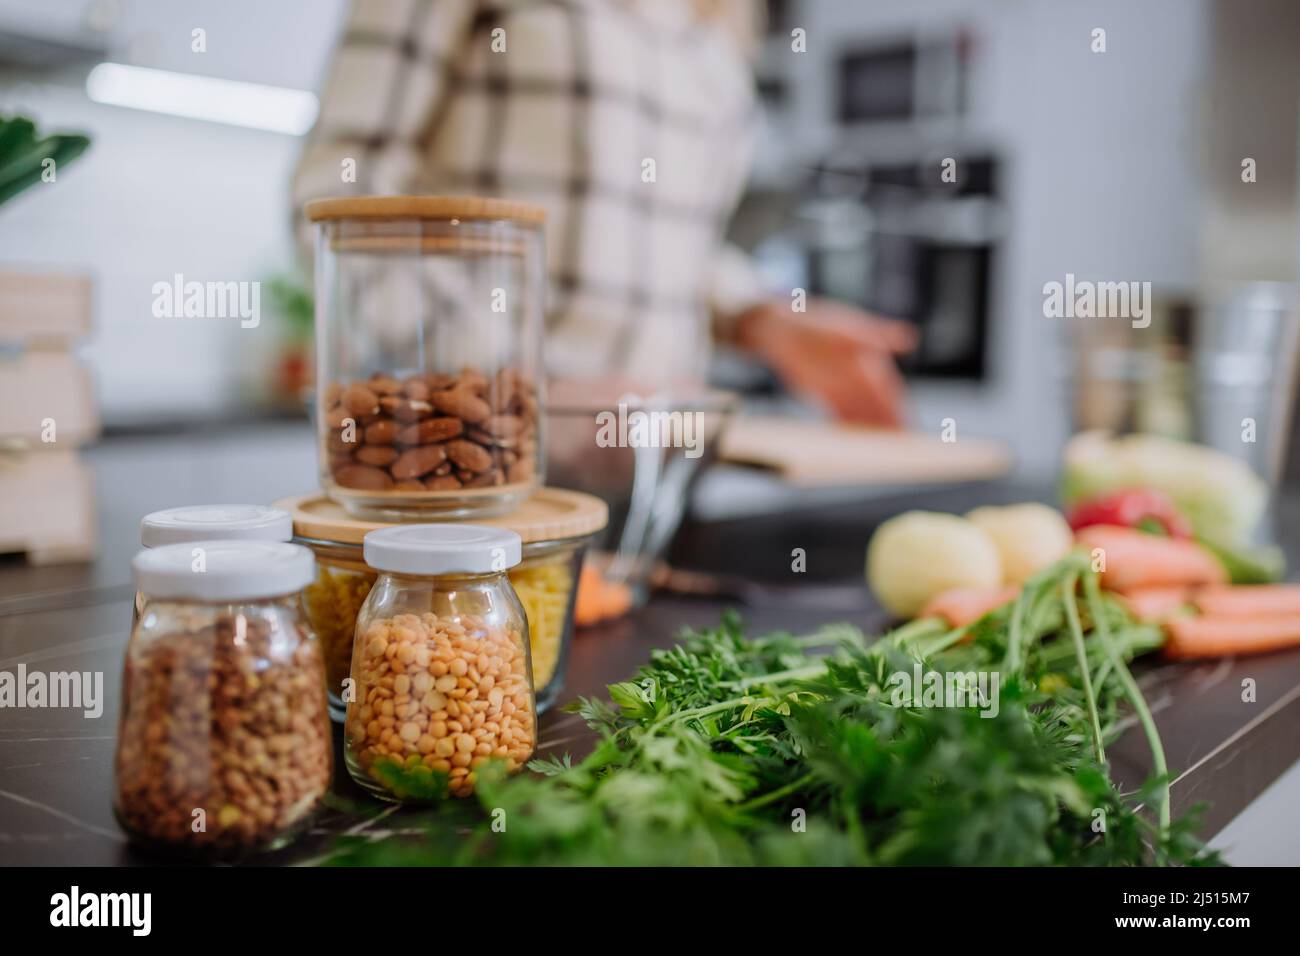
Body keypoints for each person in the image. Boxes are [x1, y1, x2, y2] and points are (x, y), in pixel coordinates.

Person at [294, 0, 914, 426]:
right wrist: (497, 385)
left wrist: (763, 319)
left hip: (652, 472)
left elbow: (671, 249)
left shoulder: (718, 15)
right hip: (474, 458)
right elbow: (341, 180)